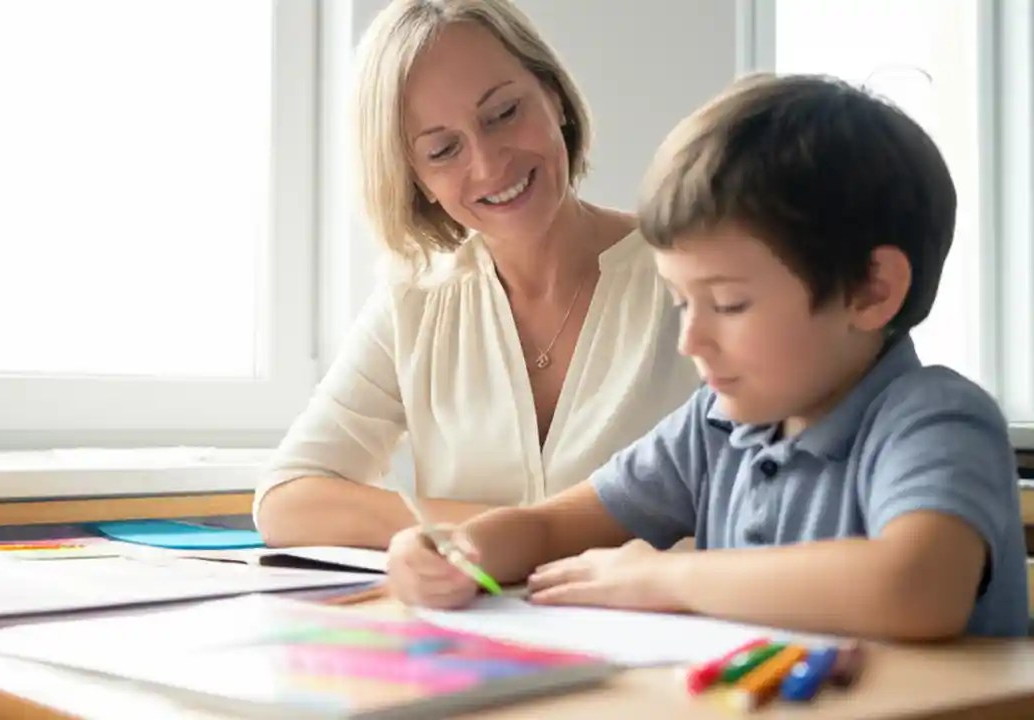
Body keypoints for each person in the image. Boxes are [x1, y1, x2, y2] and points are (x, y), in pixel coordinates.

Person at [385, 73, 1029, 639]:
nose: (692, 340)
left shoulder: (934, 419)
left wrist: (667, 579)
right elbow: (549, 529)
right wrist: (458, 549)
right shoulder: (715, 425)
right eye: (682, 303)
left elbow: (915, 588)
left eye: (727, 304)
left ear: (871, 289)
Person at [254, 0, 699, 549]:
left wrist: (519, 536)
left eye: (504, 113)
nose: (489, 165)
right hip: (480, 631)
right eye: (443, 149)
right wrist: (496, 536)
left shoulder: (693, 271)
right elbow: (287, 501)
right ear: (416, 178)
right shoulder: (415, 299)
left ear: (553, 96)